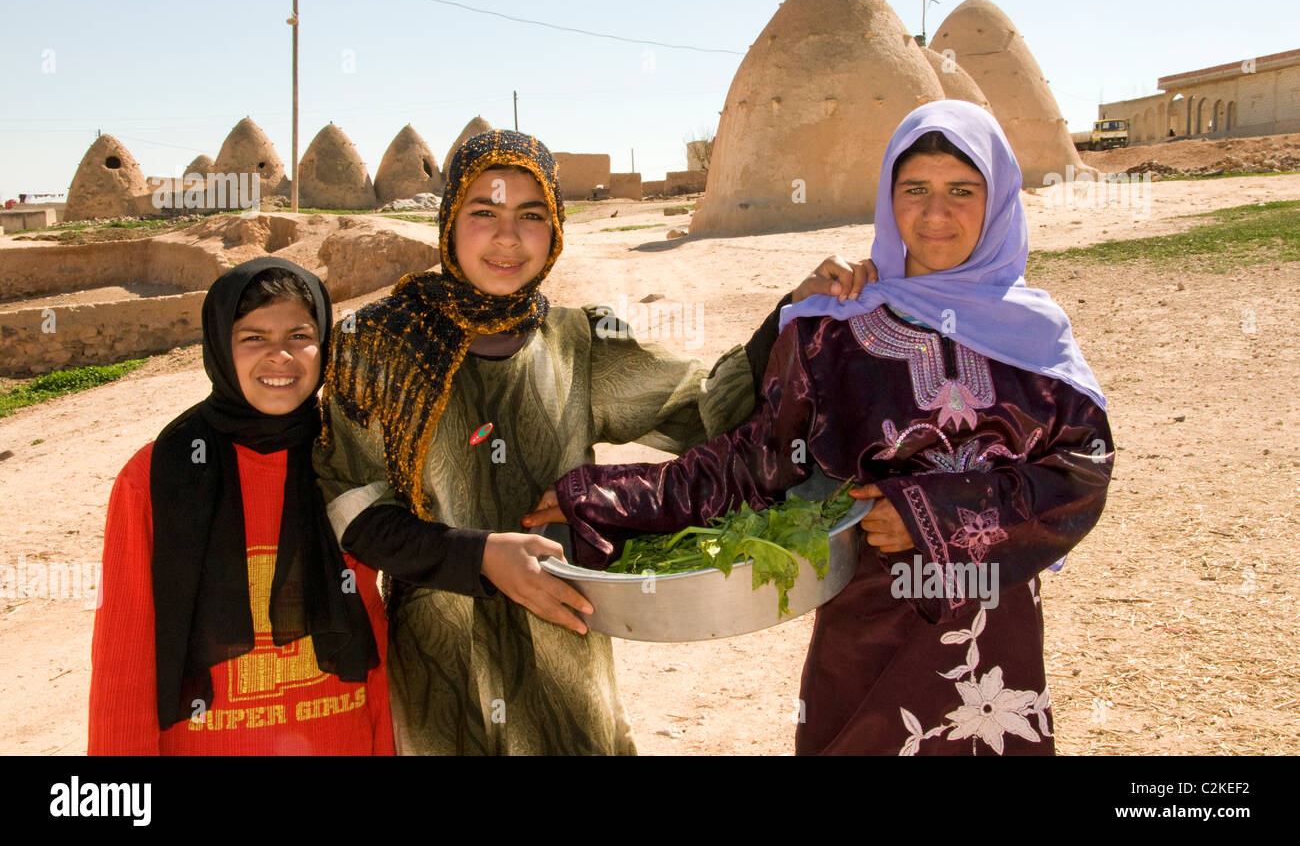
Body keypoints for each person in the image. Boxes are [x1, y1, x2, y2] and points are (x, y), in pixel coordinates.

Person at [536, 100, 1114, 755]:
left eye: (962, 190)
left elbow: (1080, 472)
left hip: (995, 644)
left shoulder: (1034, 334)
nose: (935, 214)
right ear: (888, 197)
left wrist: (929, 513)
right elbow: (752, 465)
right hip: (868, 636)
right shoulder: (835, 331)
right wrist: (604, 495)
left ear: (1000, 197)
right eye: (914, 189)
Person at [314, 128, 871, 755]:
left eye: (531, 215)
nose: (507, 237)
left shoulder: (579, 341)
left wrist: (788, 314)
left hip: (564, 659)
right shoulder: (377, 345)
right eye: (484, 213)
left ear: (554, 230)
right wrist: (479, 558)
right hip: (442, 670)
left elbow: (709, 408)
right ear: (449, 220)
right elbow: (354, 512)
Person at [88, 258, 392, 755]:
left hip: (340, 737)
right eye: (253, 338)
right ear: (219, 349)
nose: (280, 357)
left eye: (299, 335)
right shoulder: (156, 477)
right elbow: (125, 654)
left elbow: (370, 625)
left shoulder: (347, 461)